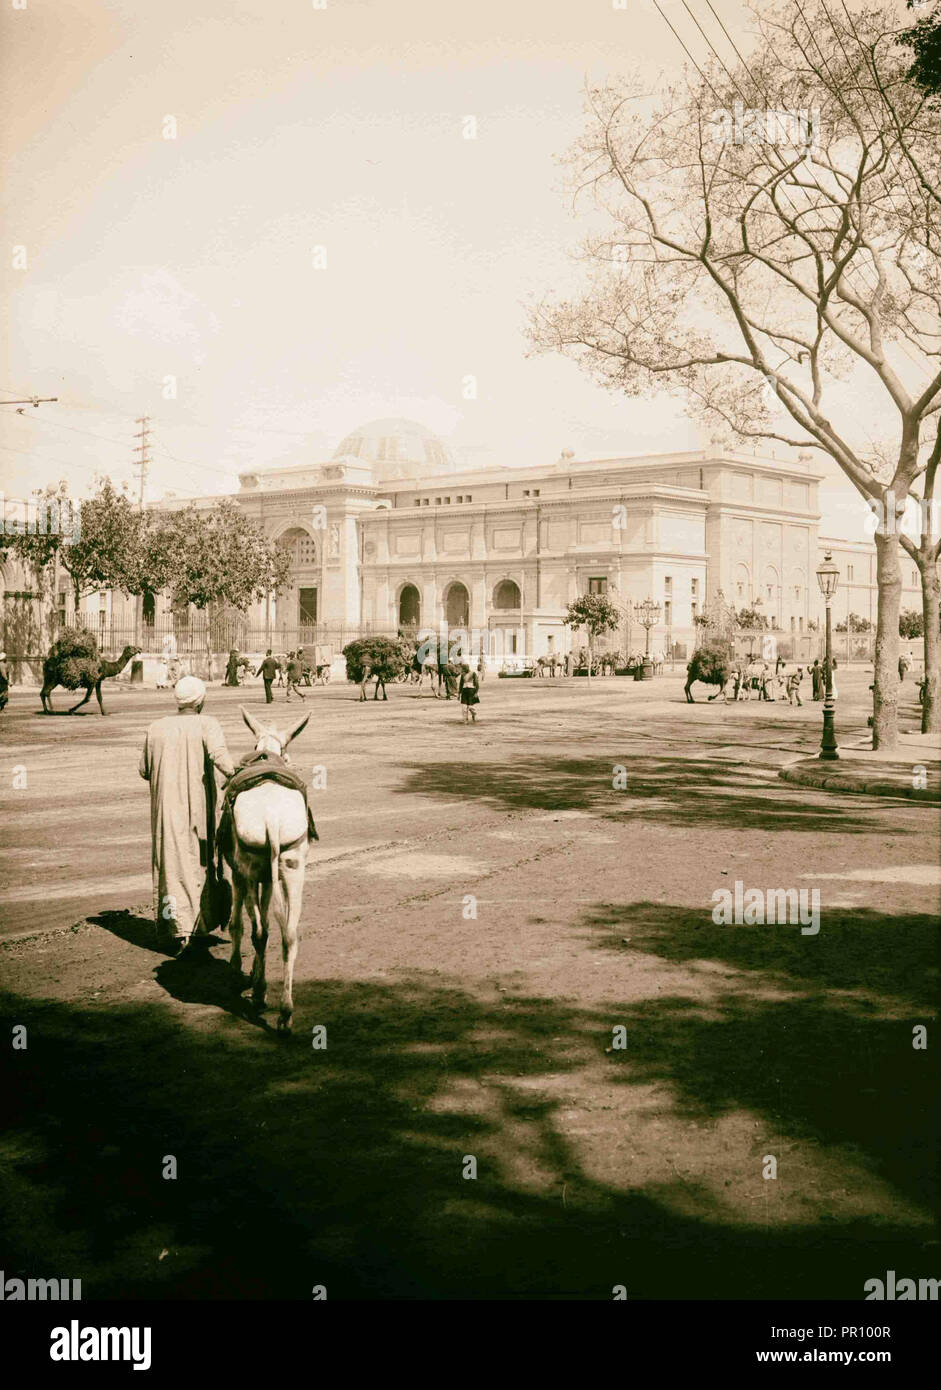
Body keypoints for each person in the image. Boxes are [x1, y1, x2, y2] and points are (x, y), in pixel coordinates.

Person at [139, 676, 234, 956]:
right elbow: (221, 758)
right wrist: (240, 775)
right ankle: (192, 929)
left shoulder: (155, 727)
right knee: (201, 863)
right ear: (201, 701)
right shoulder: (208, 724)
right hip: (198, 810)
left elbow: (143, 769)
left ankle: (178, 928)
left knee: (171, 864)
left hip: (165, 811)